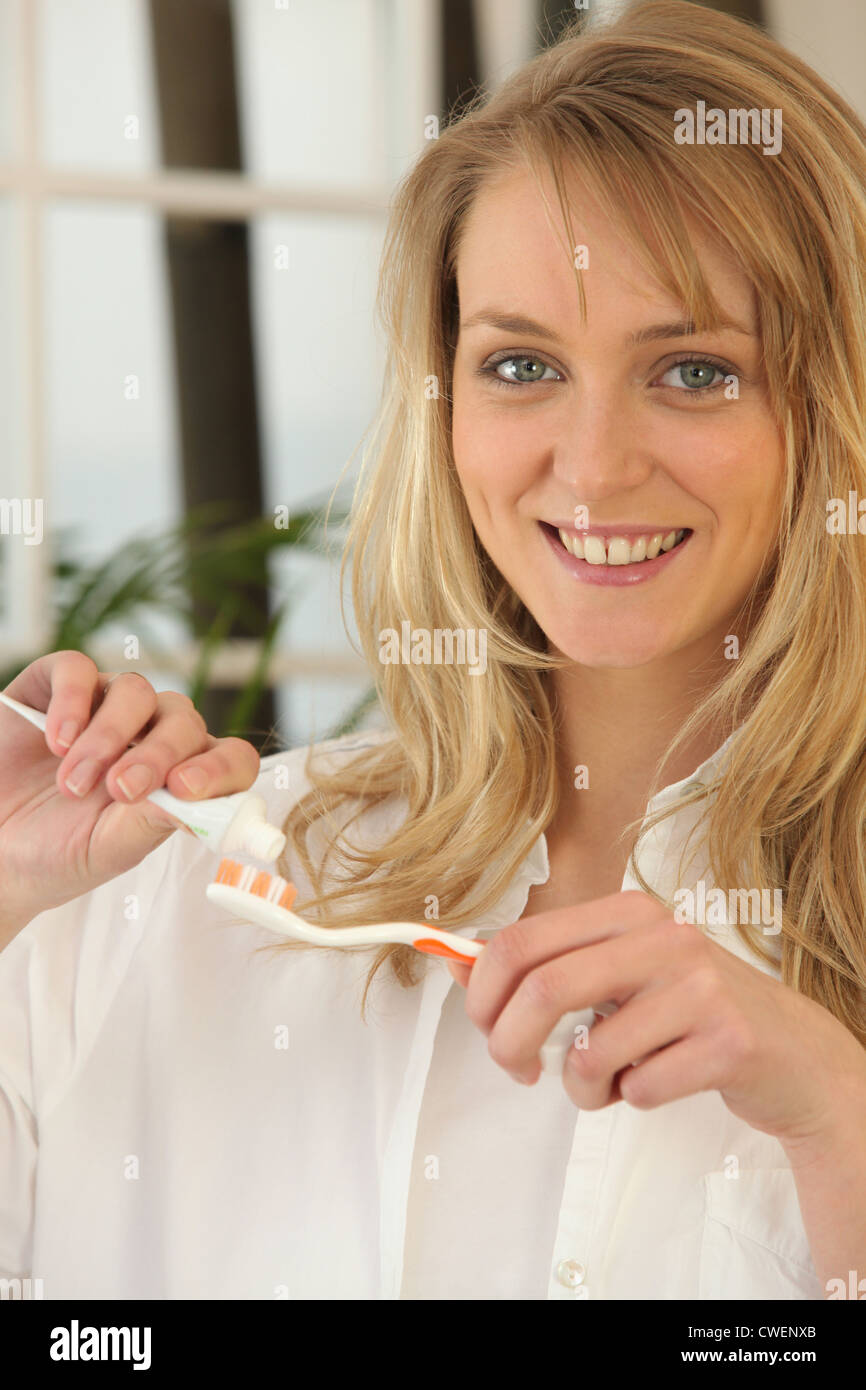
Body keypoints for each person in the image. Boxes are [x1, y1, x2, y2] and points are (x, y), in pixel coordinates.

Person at [2, 0, 866, 1301]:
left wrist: (834, 1116)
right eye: (521, 364)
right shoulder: (159, 902)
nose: (590, 465)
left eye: (691, 370)